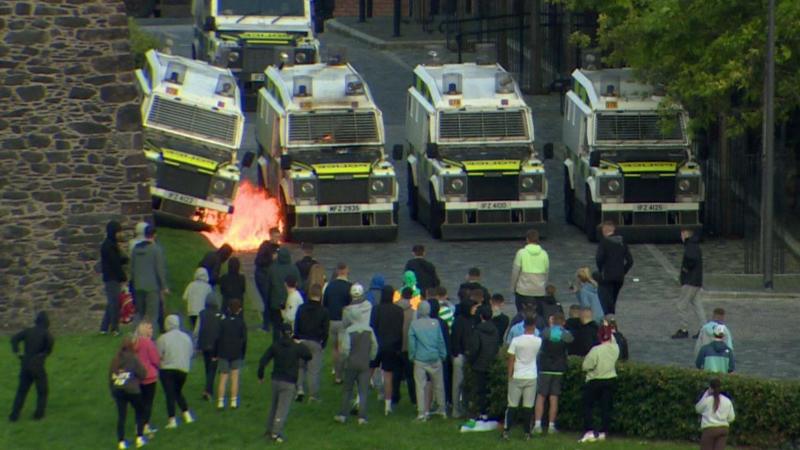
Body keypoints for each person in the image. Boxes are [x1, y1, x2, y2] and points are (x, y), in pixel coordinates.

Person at [258, 323, 312, 444]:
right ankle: (276, 434)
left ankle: (269, 429)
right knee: (282, 409)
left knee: (274, 406)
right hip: (289, 381)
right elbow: (309, 355)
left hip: (275, 379)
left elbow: (263, 361)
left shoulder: (275, 345)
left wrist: (260, 375)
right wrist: (300, 344)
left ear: (281, 333)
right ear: (291, 333)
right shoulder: (296, 346)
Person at [334, 298, 378, 425]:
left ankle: (343, 414)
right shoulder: (369, 330)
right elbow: (375, 346)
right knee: (363, 390)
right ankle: (362, 417)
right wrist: (371, 357)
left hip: (351, 363)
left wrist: (344, 360)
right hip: (364, 363)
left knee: (347, 389)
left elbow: (345, 349)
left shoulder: (349, 331)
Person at [9, 311, 54, 422]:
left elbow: (14, 339)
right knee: (42, 391)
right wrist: (43, 355)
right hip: (37, 366)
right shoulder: (47, 334)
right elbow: (49, 349)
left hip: (25, 364)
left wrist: (18, 352)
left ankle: (14, 416)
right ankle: (39, 415)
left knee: (21, 391)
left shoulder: (28, 331)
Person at [502, 316, 542, 441]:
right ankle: (527, 432)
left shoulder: (516, 340)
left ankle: (506, 431)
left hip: (517, 374)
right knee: (528, 406)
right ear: (534, 326)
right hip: (531, 375)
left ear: (524, 326)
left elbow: (511, 359)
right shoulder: (538, 341)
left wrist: (509, 375)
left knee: (512, 405)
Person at [579, 325, 620, 443]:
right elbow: (614, 340)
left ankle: (589, 431)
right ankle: (604, 432)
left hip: (595, 380)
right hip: (610, 379)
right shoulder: (615, 348)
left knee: (588, 406)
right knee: (606, 408)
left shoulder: (595, 350)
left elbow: (586, 366)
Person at [534, 312, 574, 434]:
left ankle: (537, 425)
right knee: (554, 397)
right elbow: (571, 343)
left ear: (552, 321)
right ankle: (551, 426)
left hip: (544, 367)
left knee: (541, 396)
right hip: (558, 369)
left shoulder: (545, 332)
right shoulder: (566, 335)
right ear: (563, 322)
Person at [408, 301, 448, 421]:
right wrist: (443, 354)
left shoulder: (414, 324)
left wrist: (412, 356)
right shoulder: (435, 323)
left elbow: (411, 343)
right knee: (439, 384)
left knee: (420, 385)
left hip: (420, 359)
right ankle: (442, 409)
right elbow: (440, 340)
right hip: (435, 357)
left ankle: (422, 412)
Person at [370, 285, 404, 415]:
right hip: (391, 346)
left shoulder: (376, 309)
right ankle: (387, 406)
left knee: (368, 373)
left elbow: (372, 326)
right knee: (388, 375)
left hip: (377, 344)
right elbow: (399, 330)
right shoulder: (399, 311)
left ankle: (359, 400)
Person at [109, 336, 147, 449]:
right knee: (140, 411)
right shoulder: (133, 358)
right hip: (132, 390)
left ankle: (121, 442)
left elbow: (110, 377)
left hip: (118, 390)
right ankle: (139, 438)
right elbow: (143, 374)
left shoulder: (115, 359)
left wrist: (112, 390)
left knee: (122, 416)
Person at [156, 315, 194, 428]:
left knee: (170, 394)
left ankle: (172, 420)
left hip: (167, 369)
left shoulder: (163, 338)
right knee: (177, 391)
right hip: (183, 369)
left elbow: (158, 355)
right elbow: (191, 353)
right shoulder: (187, 337)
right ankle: (187, 414)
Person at [294, 284, 330, 402]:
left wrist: (297, 338)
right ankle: (313, 395)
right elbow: (325, 330)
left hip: (301, 341)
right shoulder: (323, 311)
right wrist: (323, 343)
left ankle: (299, 390)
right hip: (315, 342)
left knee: (300, 367)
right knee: (313, 370)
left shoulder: (301, 308)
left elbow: (296, 325)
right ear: (320, 296)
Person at [131, 225, 169, 334]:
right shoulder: (156, 249)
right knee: (152, 316)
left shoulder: (135, 249)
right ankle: (150, 340)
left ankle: (137, 336)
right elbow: (159, 270)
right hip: (152, 287)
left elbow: (132, 268)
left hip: (138, 286)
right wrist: (164, 286)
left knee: (140, 314)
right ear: (154, 235)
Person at [672, 227, 705, 339]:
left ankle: (684, 329)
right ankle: (704, 328)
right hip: (696, 281)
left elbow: (691, 259)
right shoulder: (695, 245)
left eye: (682, 234)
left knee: (681, 305)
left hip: (690, 280)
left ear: (685, 234)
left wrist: (685, 270)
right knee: (697, 305)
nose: (681, 237)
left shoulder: (690, 246)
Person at [468, 305, 499, 420]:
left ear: (481, 316)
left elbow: (475, 348)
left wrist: (471, 360)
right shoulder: (495, 330)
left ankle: (481, 411)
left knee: (480, 390)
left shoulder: (478, 330)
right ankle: (489, 411)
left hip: (479, 364)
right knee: (489, 389)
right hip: (492, 363)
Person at [595, 221, 633, 314]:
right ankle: (612, 318)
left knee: (606, 301)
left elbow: (599, 258)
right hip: (619, 277)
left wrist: (601, 270)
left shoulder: (604, 242)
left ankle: (608, 319)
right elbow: (630, 261)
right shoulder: (622, 241)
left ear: (604, 230)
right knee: (613, 299)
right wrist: (623, 271)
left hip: (607, 276)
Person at [323, 263, 352, 383]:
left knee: (334, 348)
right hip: (344, 322)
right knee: (344, 349)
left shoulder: (329, 286)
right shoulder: (350, 286)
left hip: (331, 320)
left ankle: (337, 374)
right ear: (346, 270)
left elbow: (325, 304)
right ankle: (343, 372)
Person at [216, 299, 247, 409]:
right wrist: (243, 354)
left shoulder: (223, 322)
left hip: (224, 352)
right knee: (235, 378)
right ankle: (233, 401)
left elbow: (218, 338)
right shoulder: (241, 323)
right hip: (236, 353)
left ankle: (220, 401)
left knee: (223, 378)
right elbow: (244, 340)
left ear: (228, 308)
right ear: (240, 309)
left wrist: (216, 353)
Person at [265, 248, 301, 341]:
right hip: (290, 301)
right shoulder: (294, 268)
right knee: (290, 327)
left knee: (276, 328)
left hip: (276, 303)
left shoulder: (272, 269)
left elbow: (268, 287)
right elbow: (299, 285)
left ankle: (277, 346)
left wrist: (268, 303)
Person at [510, 229, 549, 315]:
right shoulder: (544, 254)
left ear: (527, 239)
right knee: (538, 315)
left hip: (523, 291)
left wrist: (513, 288)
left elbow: (515, 272)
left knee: (522, 314)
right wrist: (543, 287)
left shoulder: (521, 253)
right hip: (539, 291)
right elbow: (546, 273)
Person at [100, 220, 128, 336]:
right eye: (118, 232)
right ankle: (115, 329)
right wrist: (123, 276)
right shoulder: (109, 246)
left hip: (110, 277)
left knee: (111, 303)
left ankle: (103, 328)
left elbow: (116, 261)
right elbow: (114, 263)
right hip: (112, 278)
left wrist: (123, 259)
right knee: (114, 303)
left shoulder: (111, 245)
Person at [134, 322, 160, 437]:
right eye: (150, 328)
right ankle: (145, 426)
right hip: (149, 377)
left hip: (137, 377)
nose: (152, 329)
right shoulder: (149, 343)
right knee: (148, 403)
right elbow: (155, 359)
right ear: (145, 330)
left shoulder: (134, 343)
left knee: (139, 403)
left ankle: (138, 426)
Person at [450, 297, 474, 418]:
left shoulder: (459, 321)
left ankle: (463, 408)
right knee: (458, 384)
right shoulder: (460, 321)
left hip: (464, 355)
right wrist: (457, 353)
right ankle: (456, 409)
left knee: (464, 384)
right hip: (460, 355)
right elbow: (455, 339)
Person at [695, 379, 736, 450]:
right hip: (723, 429)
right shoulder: (727, 401)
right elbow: (731, 418)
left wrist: (706, 394)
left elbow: (698, 409)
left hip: (709, 429)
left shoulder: (707, 400)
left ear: (710, 388)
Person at [196, 294, 222, 402]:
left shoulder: (201, 314)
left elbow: (197, 330)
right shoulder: (220, 315)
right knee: (213, 368)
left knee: (207, 366)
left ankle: (208, 387)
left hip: (203, 344)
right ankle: (208, 390)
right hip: (215, 345)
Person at [254, 231, 281, 332]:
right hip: (262, 276)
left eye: (278, 236)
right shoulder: (265, 246)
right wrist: (271, 258)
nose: (277, 239)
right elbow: (258, 261)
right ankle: (266, 326)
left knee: (271, 300)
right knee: (267, 299)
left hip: (271, 277)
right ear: (270, 236)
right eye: (275, 236)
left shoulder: (278, 248)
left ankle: (270, 323)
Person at [395, 287, 417, 407]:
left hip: (395, 345)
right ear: (411, 297)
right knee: (410, 376)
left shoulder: (394, 309)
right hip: (408, 346)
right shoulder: (413, 313)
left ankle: (394, 398)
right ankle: (414, 399)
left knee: (395, 374)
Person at [183, 267, 212, 331]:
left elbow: (184, 297)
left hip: (192, 312)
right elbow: (211, 300)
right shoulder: (208, 287)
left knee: (193, 329)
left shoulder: (191, 285)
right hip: (203, 312)